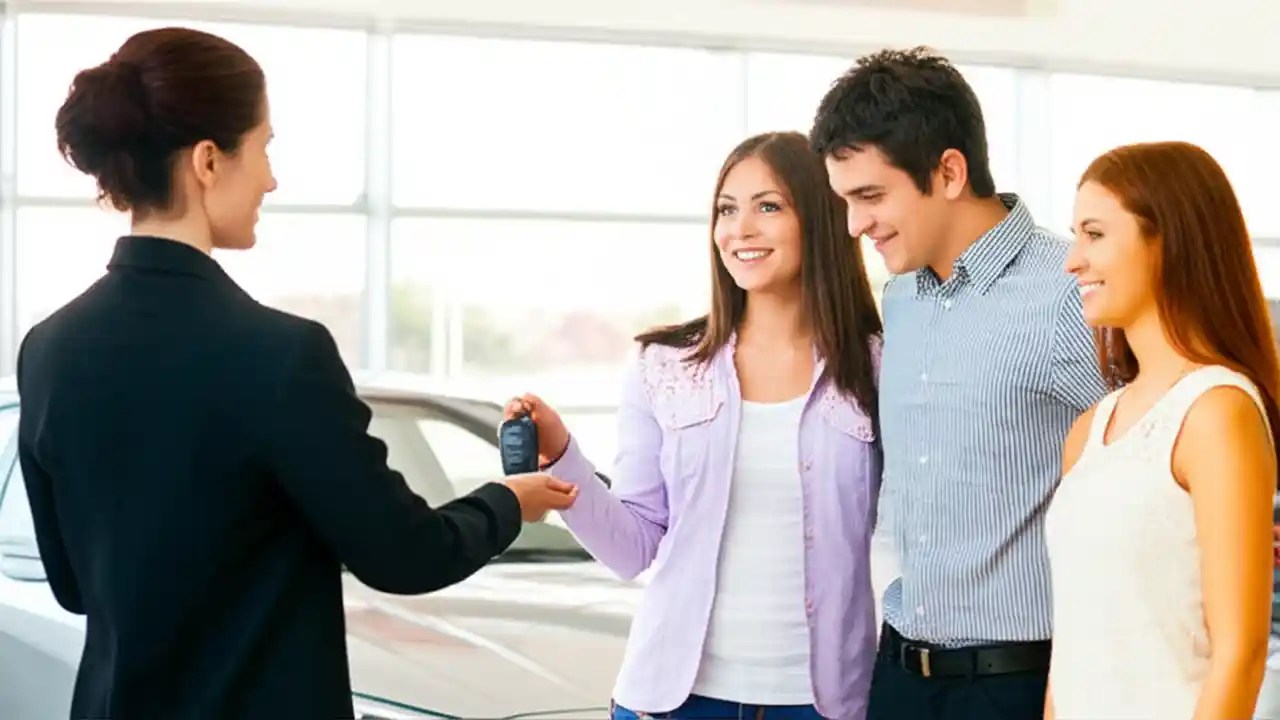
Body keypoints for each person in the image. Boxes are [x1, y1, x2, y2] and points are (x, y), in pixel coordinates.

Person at [17, 27, 576, 720]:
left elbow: (74, 585)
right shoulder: (279, 354)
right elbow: (405, 555)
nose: (273, 178)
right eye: (264, 147)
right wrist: (510, 500)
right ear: (208, 161)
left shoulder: (47, 349)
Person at [501, 131, 884, 720]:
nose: (740, 229)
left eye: (769, 206)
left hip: (828, 702)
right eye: (726, 210)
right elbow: (633, 548)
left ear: (824, 217)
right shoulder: (664, 366)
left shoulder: (880, 366)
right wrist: (560, 456)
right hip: (675, 701)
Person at [808, 47, 1107, 720]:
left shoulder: (1070, 294)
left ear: (948, 171)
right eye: (846, 201)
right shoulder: (903, 297)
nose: (856, 225)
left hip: (1016, 681)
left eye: (871, 196)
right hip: (901, 675)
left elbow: (1150, 478)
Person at [1045, 141, 1278, 719]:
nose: (1073, 259)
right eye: (1074, 235)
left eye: (1095, 235)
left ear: (1166, 241)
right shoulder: (1090, 429)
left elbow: (1240, 654)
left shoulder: (1217, 412)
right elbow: (1072, 647)